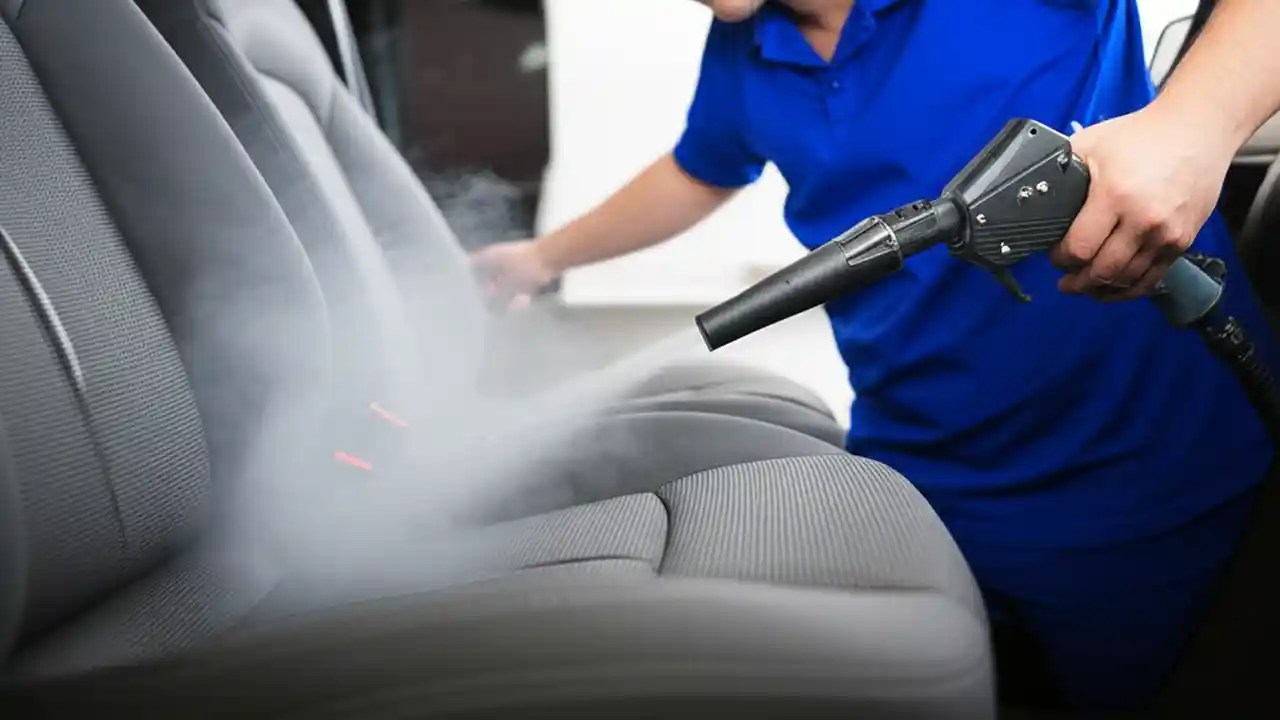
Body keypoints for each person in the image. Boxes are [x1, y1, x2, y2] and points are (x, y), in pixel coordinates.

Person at [472, 0, 1277, 710]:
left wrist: (1191, 128)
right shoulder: (747, 51)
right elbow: (698, 169)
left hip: (1135, 475)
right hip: (918, 470)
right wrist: (541, 259)